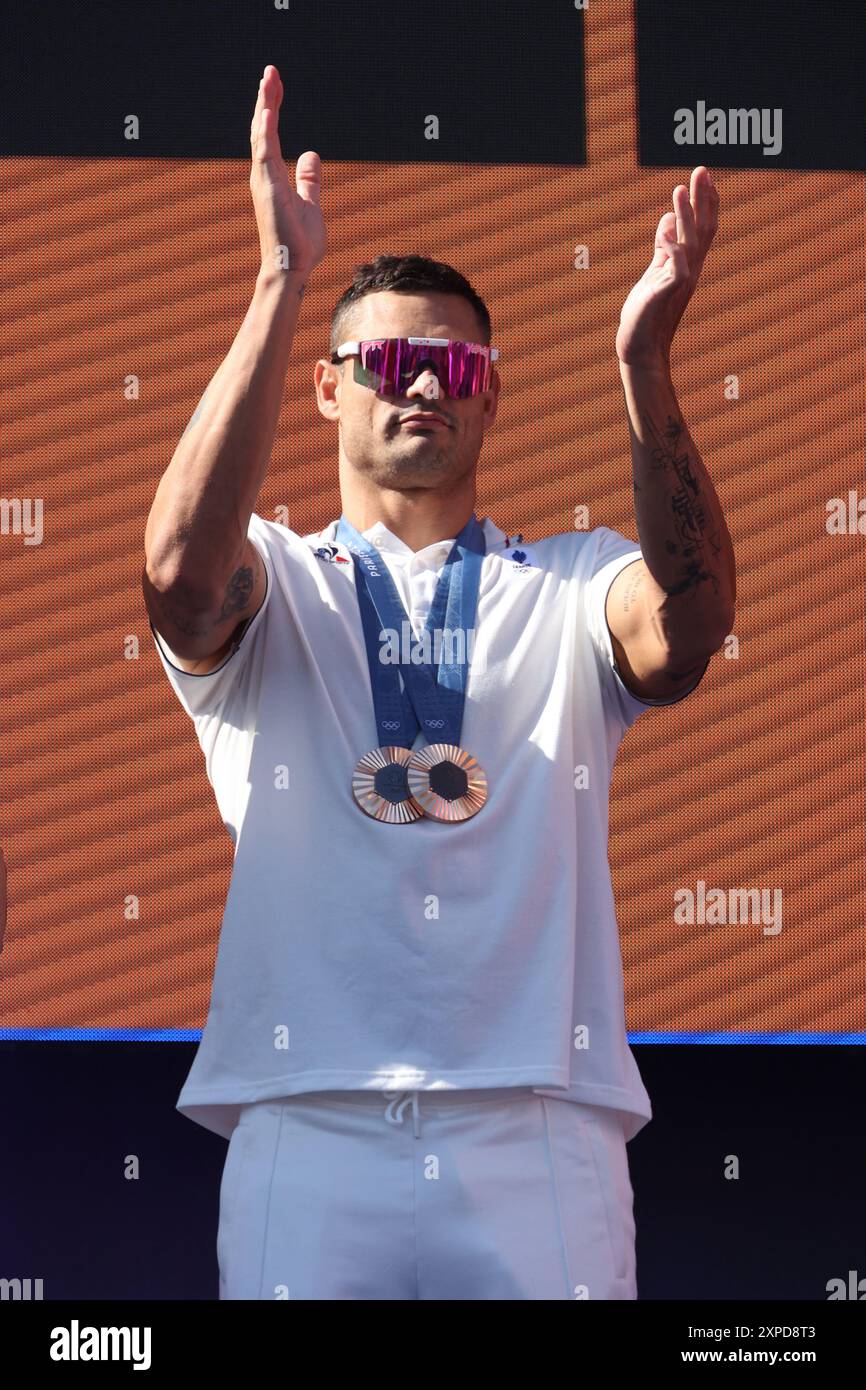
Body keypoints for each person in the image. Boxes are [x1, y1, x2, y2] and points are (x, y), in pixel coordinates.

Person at [142, 65, 733, 1300]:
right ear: (327, 385)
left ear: (491, 397)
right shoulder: (275, 579)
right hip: (307, 1124)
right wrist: (280, 281)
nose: (421, 384)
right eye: (387, 362)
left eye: (457, 369)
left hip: (538, 1127)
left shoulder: (573, 581)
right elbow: (178, 581)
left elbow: (687, 622)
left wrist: (642, 364)